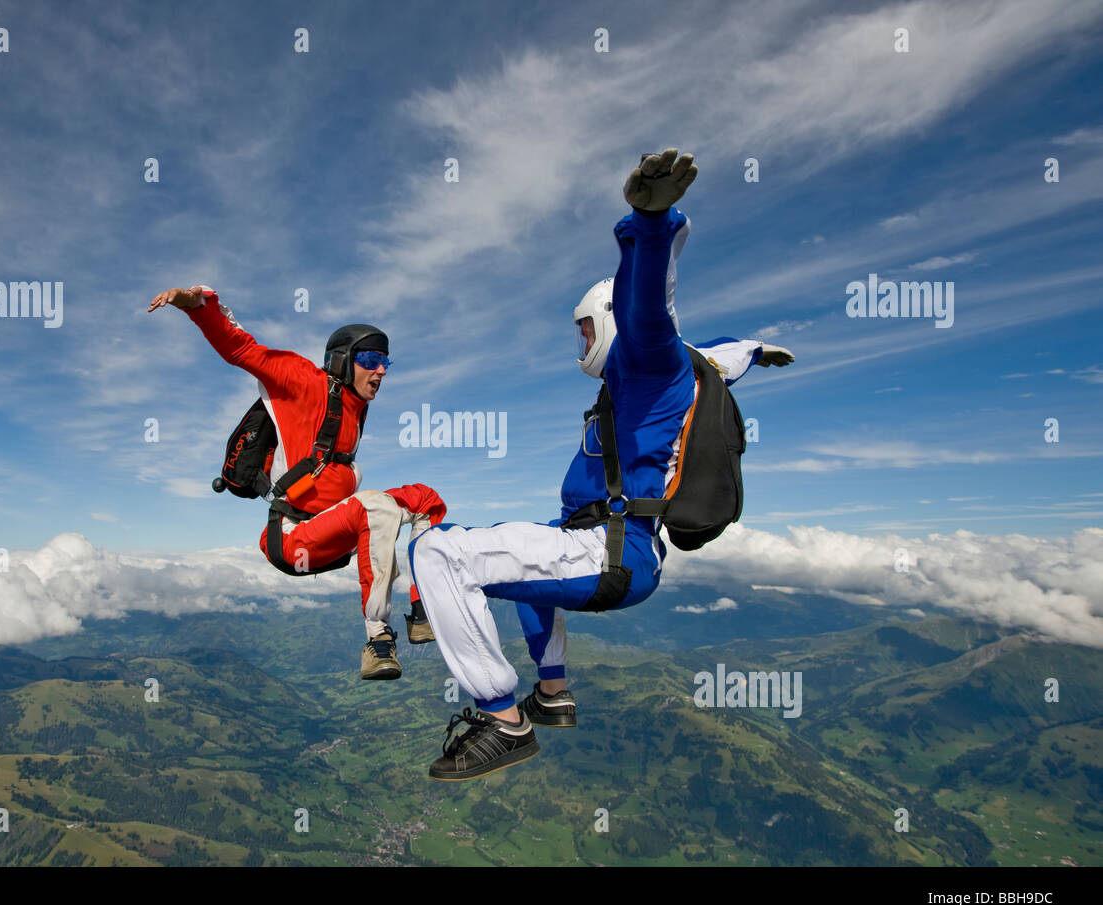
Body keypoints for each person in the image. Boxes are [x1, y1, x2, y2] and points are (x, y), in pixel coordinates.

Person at [408, 149, 795, 780]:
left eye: (587, 330)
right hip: (612, 551)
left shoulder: (646, 362)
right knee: (522, 554)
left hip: (610, 555)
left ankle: (503, 719)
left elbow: (649, 312)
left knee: (440, 552)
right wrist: (752, 348)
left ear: (610, 322)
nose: (583, 345)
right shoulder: (663, 379)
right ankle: (553, 694)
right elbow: (718, 356)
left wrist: (650, 223)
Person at [148, 284, 446, 680]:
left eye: (386, 361)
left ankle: (424, 609)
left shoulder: (355, 411)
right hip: (291, 538)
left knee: (425, 498)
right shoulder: (302, 381)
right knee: (375, 504)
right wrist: (199, 305)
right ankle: (378, 639)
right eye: (372, 359)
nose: (382, 370)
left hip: (332, 532)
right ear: (342, 360)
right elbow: (241, 348)